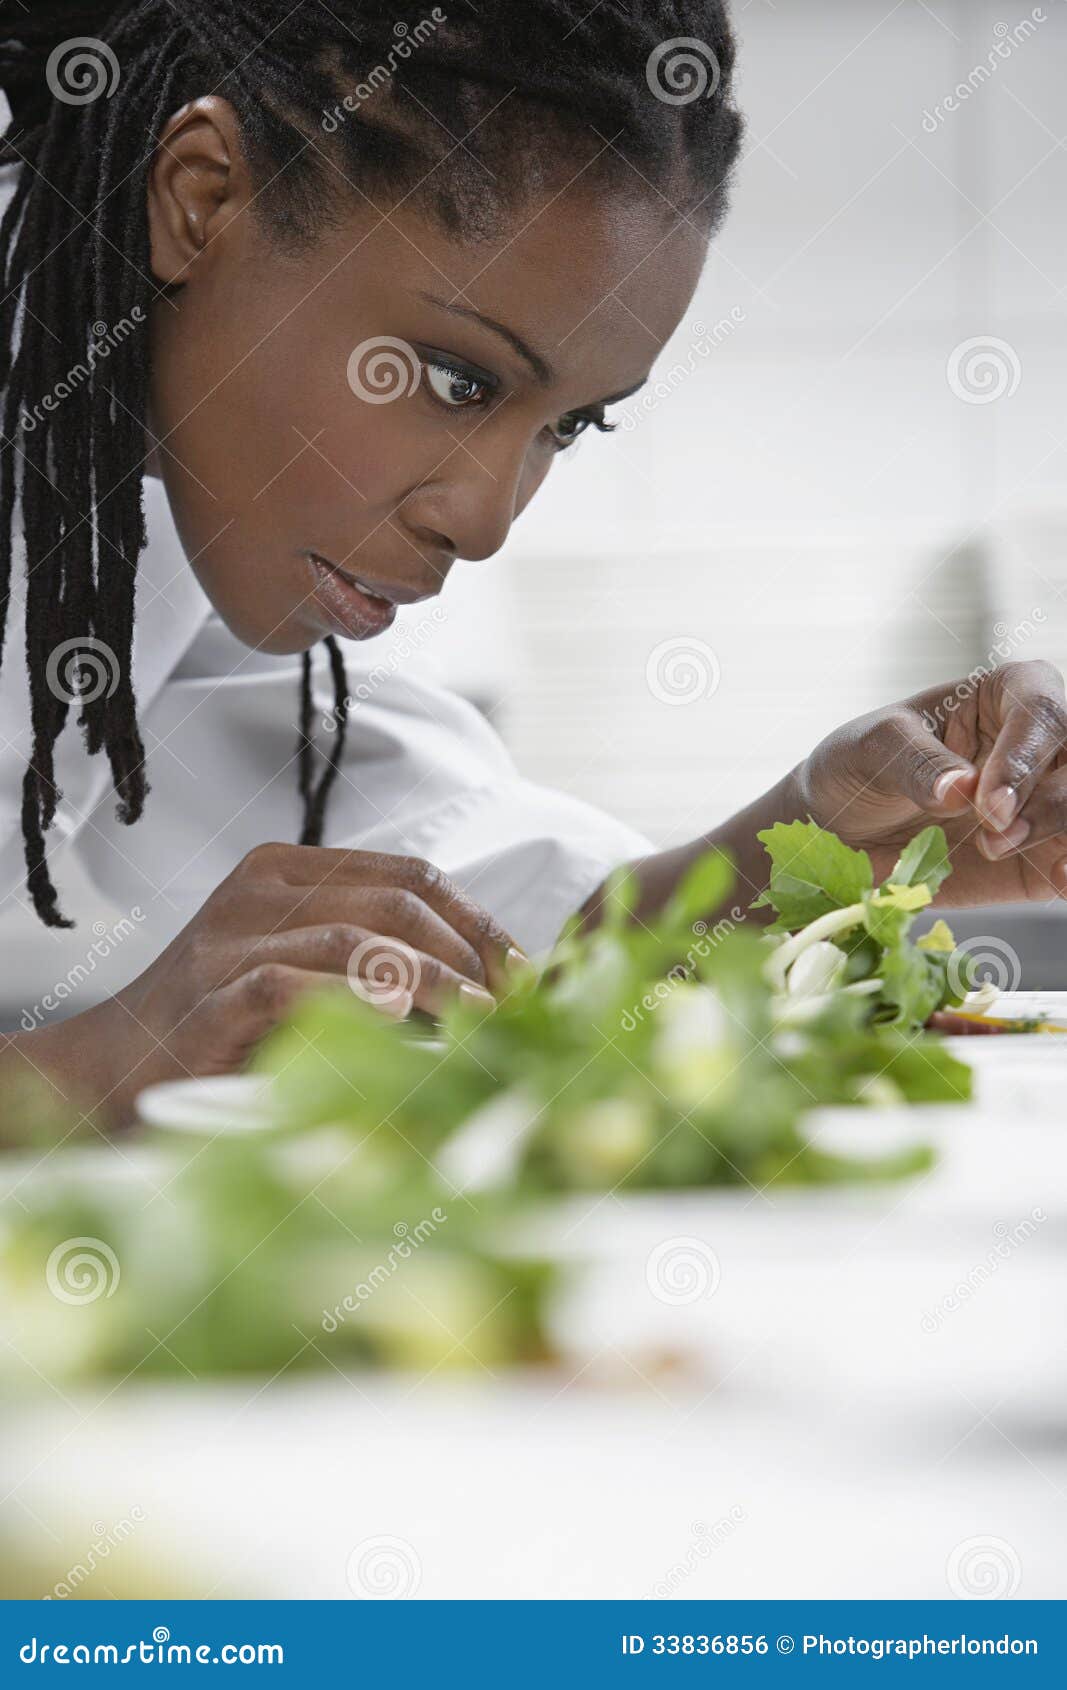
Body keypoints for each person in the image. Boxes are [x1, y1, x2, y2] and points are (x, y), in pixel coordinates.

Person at [2, 2, 1066, 1134]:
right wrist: (70, 1074)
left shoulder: (151, 542)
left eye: (571, 427)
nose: (488, 518)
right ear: (202, 196)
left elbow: (479, 942)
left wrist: (804, 853)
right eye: (457, 380)